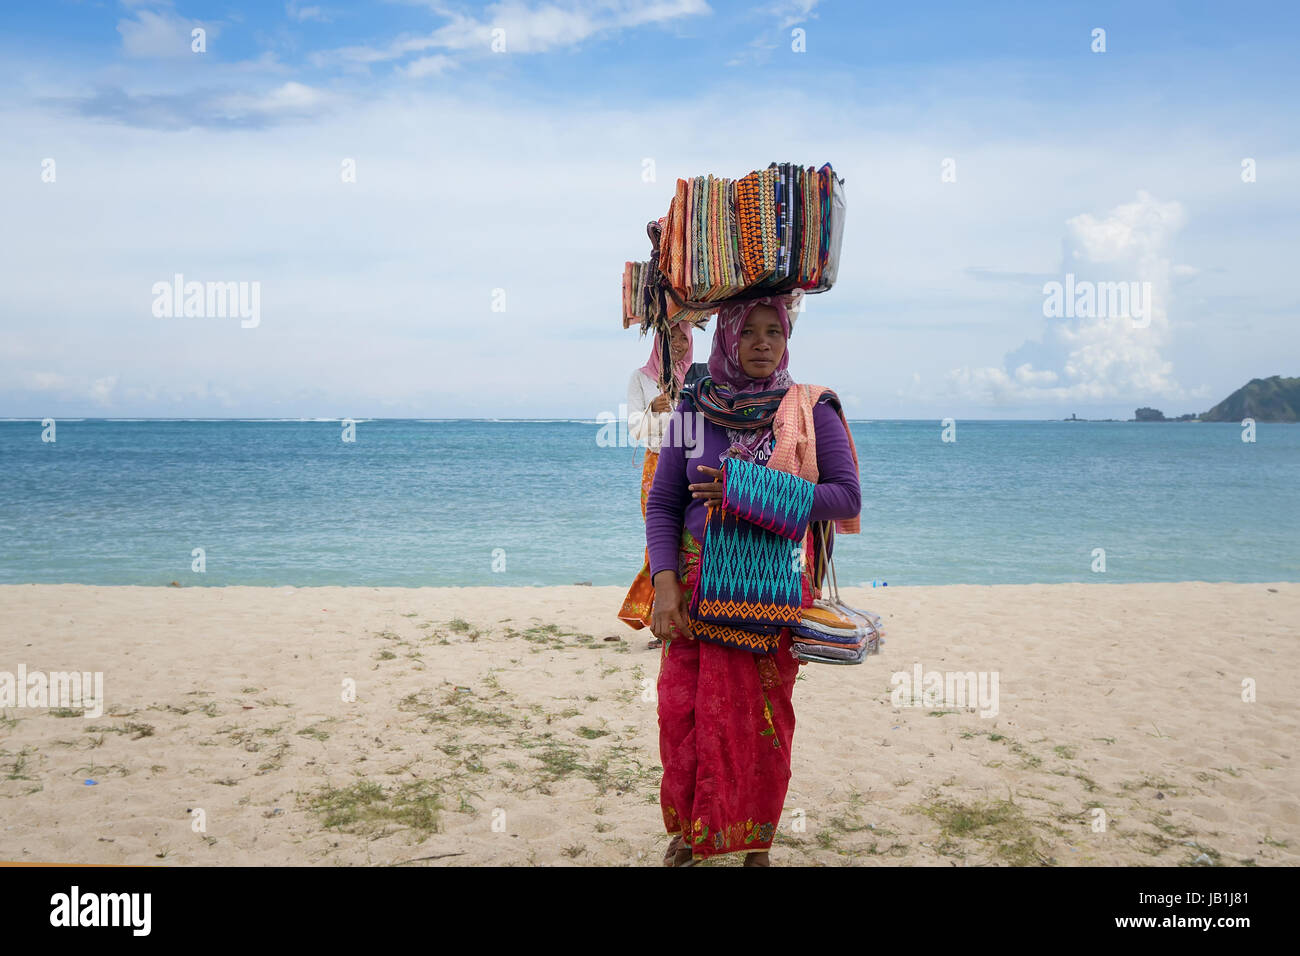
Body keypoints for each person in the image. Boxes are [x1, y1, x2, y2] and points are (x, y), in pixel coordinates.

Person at [644, 295, 861, 866]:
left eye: (775, 332)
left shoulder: (810, 409)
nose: (763, 343)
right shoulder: (693, 411)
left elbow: (845, 496)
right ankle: (692, 834)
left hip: (768, 588)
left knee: (759, 717)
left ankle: (754, 841)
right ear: (727, 340)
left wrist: (746, 490)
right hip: (694, 591)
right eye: (749, 333)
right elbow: (664, 504)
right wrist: (664, 586)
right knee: (683, 715)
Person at [617, 319, 694, 644]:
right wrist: (652, 409)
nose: (679, 344)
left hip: (692, 465)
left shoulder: (698, 379)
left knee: (690, 539)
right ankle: (658, 620)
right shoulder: (641, 378)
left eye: (684, 338)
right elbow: (634, 428)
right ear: (659, 341)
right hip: (657, 465)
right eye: (672, 337)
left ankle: (685, 617)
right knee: (659, 542)